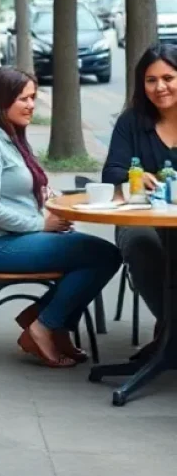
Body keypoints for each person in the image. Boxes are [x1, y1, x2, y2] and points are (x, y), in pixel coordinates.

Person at [0, 67, 121, 368]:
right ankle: (45, 325)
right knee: (104, 256)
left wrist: (43, 194)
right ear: (0, 100)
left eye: (33, 97)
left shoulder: (5, 134)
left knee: (96, 254)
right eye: (23, 99)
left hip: (18, 237)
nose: (31, 105)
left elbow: (10, 189)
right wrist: (40, 223)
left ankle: (46, 321)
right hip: (0, 245)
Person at [101, 44, 177, 326]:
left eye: (168, 78)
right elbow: (111, 173)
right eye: (151, 80)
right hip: (140, 217)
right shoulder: (131, 122)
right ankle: (171, 331)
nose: (160, 87)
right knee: (139, 242)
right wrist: (133, 177)